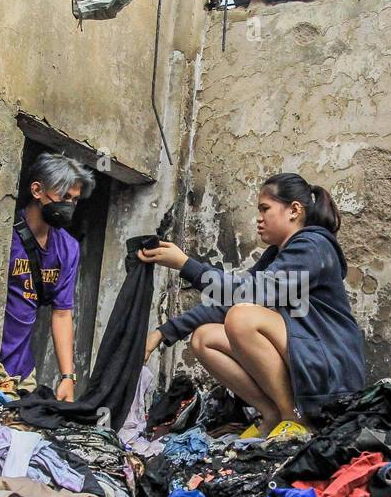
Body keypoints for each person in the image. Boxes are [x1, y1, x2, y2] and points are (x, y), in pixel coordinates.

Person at [140, 173, 366, 438]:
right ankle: (271, 415)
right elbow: (229, 299)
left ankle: (295, 418)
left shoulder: (313, 247)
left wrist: (185, 264)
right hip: (306, 355)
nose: (258, 218)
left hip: (332, 369)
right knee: (204, 338)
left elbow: (245, 296)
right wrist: (163, 333)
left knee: (243, 317)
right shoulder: (277, 255)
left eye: (265, 209)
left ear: (294, 210)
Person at [0, 153, 96, 400]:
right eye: (64, 197)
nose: (69, 206)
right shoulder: (3, 230)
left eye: (74, 200)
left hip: (21, 371)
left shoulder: (68, 248)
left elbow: (62, 312)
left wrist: (67, 377)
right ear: (37, 190)